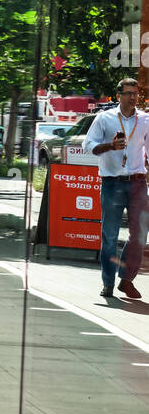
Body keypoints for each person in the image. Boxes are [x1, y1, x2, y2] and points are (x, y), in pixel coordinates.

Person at [82, 76, 149, 299]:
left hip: (138, 182)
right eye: (129, 93)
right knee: (109, 236)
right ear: (119, 96)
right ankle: (108, 283)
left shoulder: (145, 120)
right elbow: (87, 145)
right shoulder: (105, 119)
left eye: (136, 93)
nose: (133, 97)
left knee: (140, 234)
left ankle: (126, 279)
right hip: (111, 183)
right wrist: (110, 145)